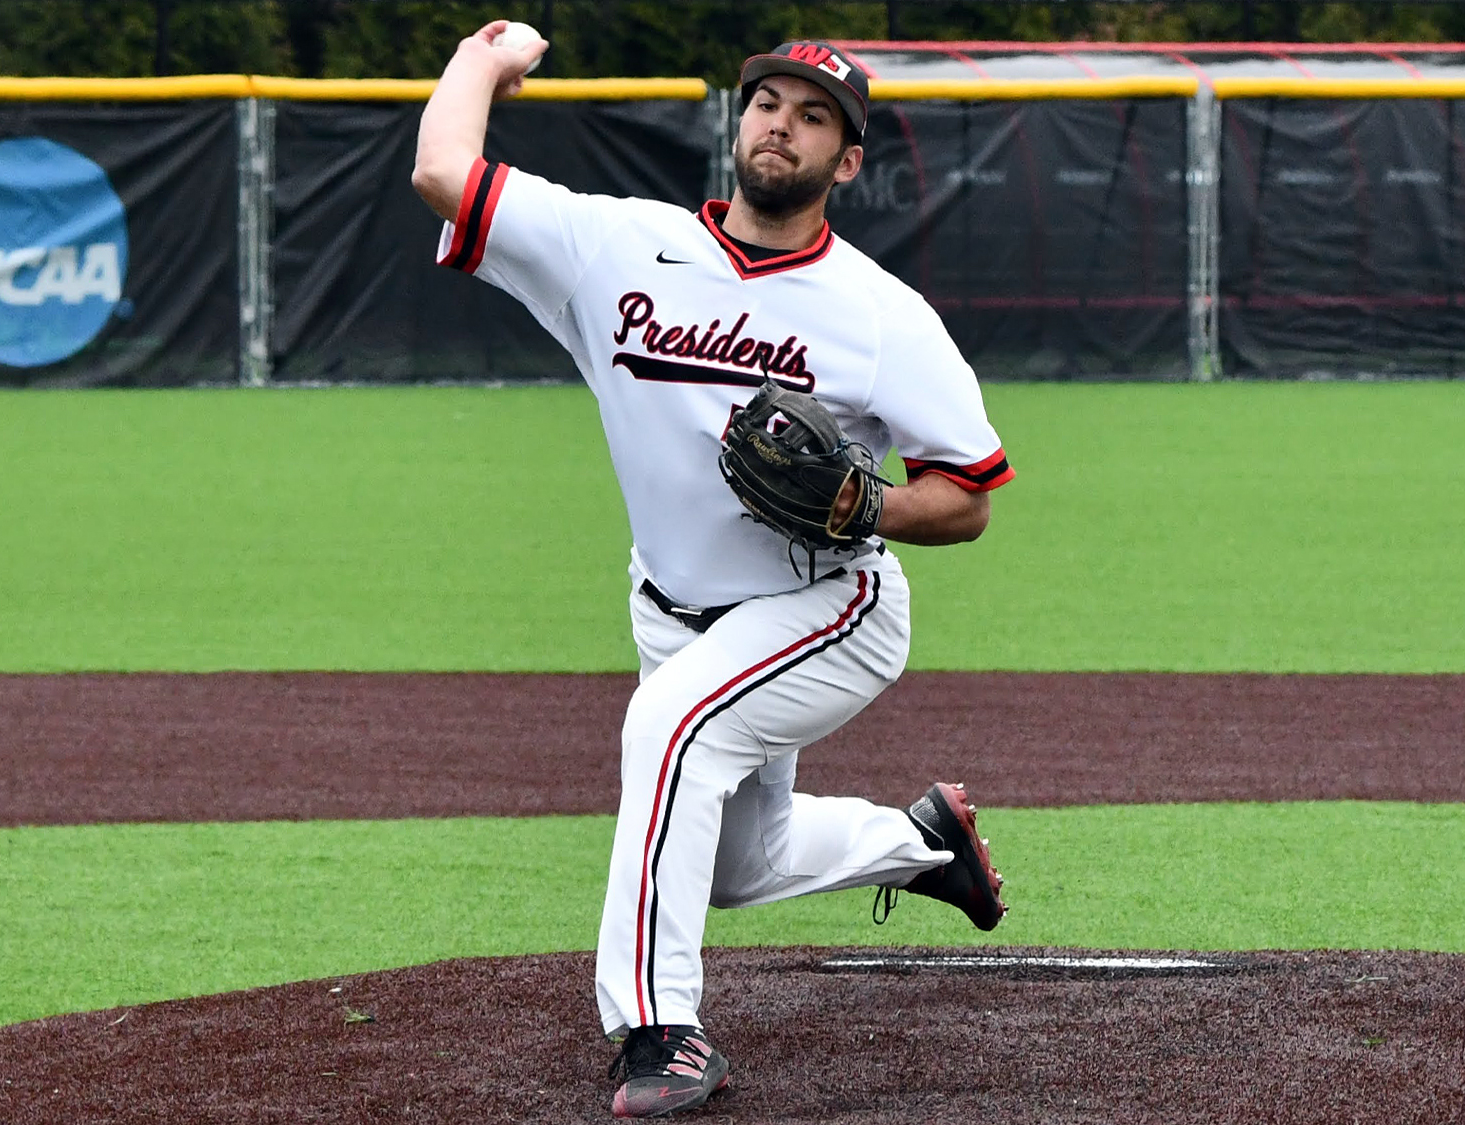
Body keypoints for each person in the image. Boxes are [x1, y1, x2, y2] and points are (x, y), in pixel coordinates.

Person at [413, 24, 1016, 1118]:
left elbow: (965, 495)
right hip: (671, 611)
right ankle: (920, 844)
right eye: (768, 102)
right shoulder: (615, 247)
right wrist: (483, 57)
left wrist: (866, 503)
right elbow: (442, 172)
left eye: (815, 115)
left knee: (670, 726)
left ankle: (658, 1032)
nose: (782, 121)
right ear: (737, 122)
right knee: (739, 864)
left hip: (824, 606)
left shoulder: (880, 315)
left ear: (846, 163)